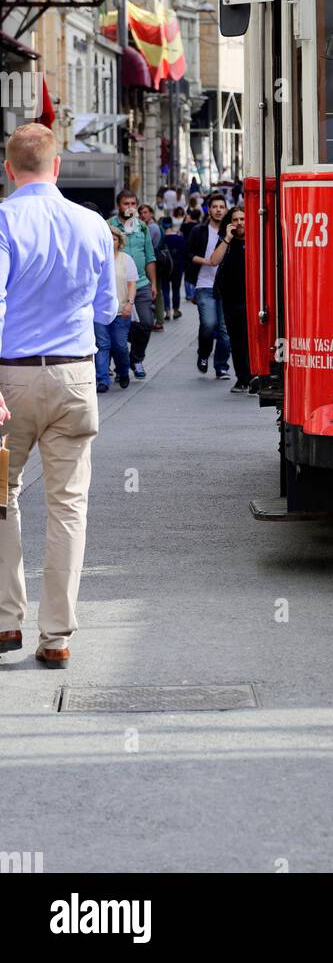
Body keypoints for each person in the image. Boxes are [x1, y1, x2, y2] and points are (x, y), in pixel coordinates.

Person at [0, 123, 116, 668]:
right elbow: (107, 309)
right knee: (68, 506)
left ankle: (5, 621)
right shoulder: (91, 224)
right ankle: (57, 636)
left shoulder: (3, 221)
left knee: (2, 497)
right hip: (74, 377)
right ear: (58, 167)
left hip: (11, 379)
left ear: (8, 169)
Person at [108, 188, 157, 380]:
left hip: (141, 283)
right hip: (116, 284)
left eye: (133, 204)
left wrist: (153, 283)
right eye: (126, 204)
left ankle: (136, 358)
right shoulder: (108, 225)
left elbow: (150, 256)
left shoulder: (142, 227)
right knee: (114, 326)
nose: (130, 208)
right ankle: (119, 364)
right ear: (118, 206)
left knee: (145, 323)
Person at [186, 192, 231, 379]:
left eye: (222, 207)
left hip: (226, 286)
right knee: (208, 324)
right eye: (215, 207)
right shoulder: (199, 230)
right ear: (209, 210)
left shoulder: (231, 232)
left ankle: (221, 366)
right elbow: (187, 254)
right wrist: (207, 261)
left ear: (226, 210)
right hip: (204, 284)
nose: (218, 210)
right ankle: (203, 354)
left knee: (224, 330)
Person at [211, 206, 252, 394]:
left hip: (253, 299)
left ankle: (254, 376)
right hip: (231, 299)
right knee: (236, 340)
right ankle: (242, 378)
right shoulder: (226, 242)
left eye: (243, 219)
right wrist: (227, 238)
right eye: (235, 220)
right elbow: (214, 261)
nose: (239, 223)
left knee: (250, 339)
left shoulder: (256, 241)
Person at [95, 226, 137, 392]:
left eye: (114, 239)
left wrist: (130, 303)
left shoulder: (126, 259)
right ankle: (102, 379)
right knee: (102, 345)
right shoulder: (97, 258)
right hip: (99, 311)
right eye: (108, 238)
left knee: (120, 345)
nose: (111, 242)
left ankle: (123, 371)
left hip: (121, 310)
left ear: (119, 242)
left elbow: (132, 284)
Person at [140, 204, 168, 331]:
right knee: (157, 289)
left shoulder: (151, 227)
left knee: (155, 290)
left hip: (153, 263)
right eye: (141, 212)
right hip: (157, 263)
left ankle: (159, 319)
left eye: (145, 212)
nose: (142, 215)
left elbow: (146, 247)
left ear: (151, 213)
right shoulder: (153, 226)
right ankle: (159, 318)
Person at [163, 208, 187, 318]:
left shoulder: (162, 239)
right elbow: (184, 254)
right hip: (178, 268)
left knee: (166, 290)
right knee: (176, 289)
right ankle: (176, 310)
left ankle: (167, 311)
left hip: (164, 268)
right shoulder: (180, 238)